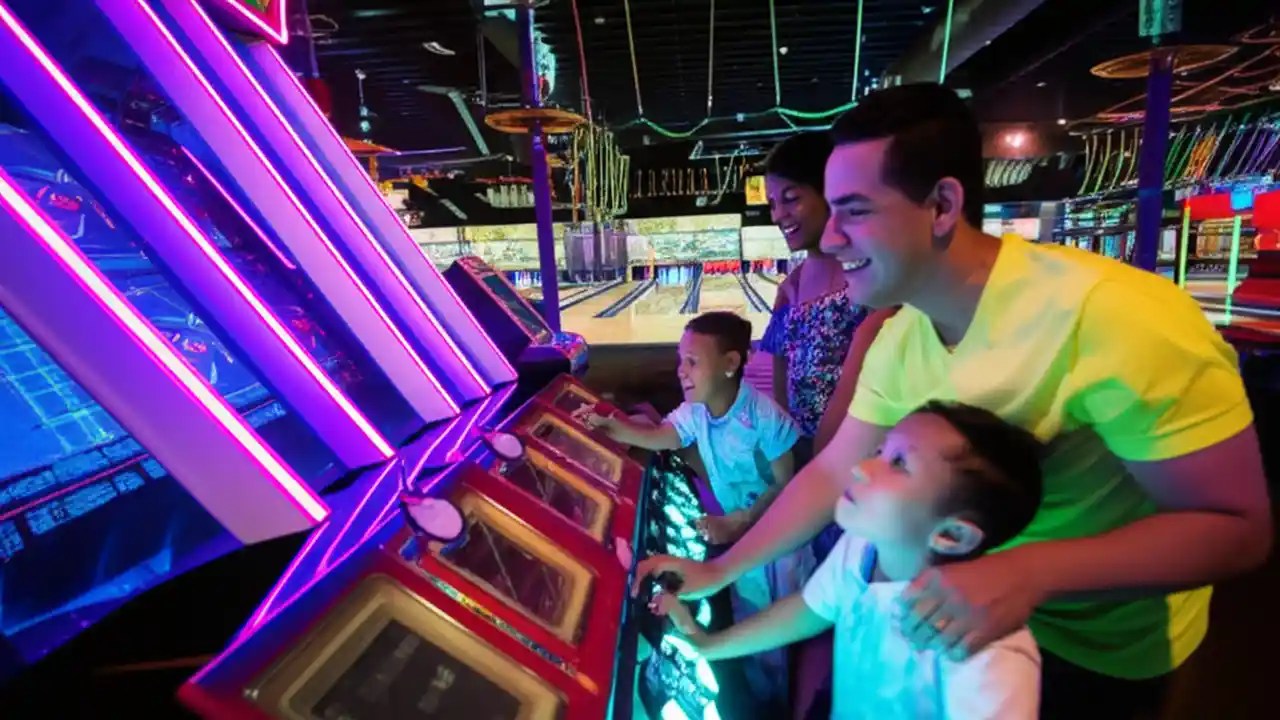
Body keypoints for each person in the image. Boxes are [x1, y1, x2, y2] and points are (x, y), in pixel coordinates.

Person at [635, 83, 1272, 719]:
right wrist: (722, 570)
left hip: (1095, 648)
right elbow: (832, 471)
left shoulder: (1118, 320)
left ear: (942, 204)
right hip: (937, 614)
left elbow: (1237, 529)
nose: (829, 239)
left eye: (854, 211)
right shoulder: (904, 334)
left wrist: (1026, 573)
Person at [653, 401, 1045, 719]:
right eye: (880, 451)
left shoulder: (990, 656)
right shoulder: (864, 546)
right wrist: (708, 646)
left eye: (899, 464)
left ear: (952, 535)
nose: (860, 467)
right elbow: (812, 607)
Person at [583, 310, 813, 712]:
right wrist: (609, 426)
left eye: (692, 362)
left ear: (730, 364)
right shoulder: (696, 411)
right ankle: (759, 699)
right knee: (749, 621)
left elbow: (787, 484)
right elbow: (659, 437)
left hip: (780, 544)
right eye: (680, 360)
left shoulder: (763, 418)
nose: (681, 371)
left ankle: (782, 705)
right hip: (739, 539)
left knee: (778, 637)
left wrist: (738, 521)